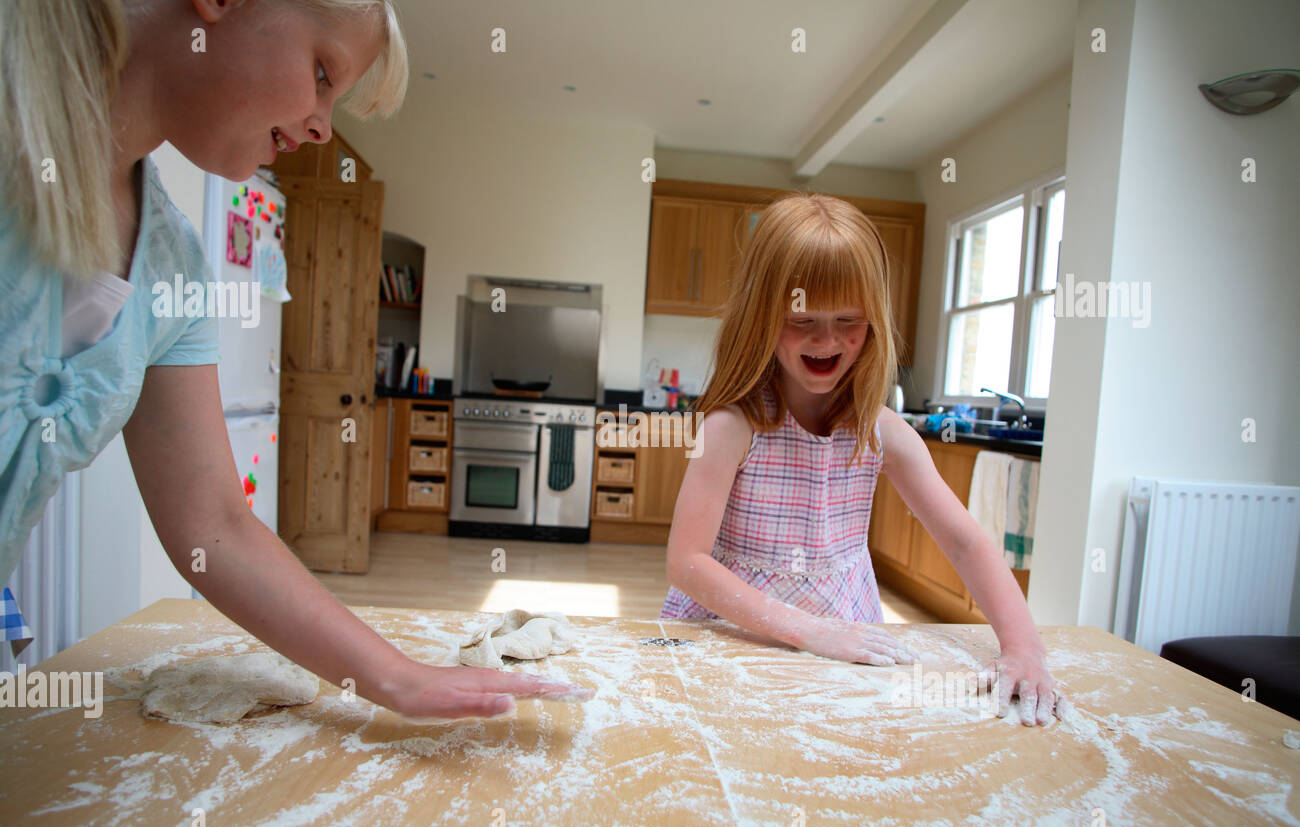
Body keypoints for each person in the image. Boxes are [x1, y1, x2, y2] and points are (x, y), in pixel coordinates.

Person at [0, 0, 592, 719]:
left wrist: (396, 679)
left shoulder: (172, 267)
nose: (321, 125)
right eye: (321, 71)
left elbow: (215, 524)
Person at [661, 193, 1064, 726]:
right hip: (738, 641)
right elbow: (687, 562)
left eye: (848, 318)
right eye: (802, 319)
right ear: (761, 316)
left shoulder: (882, 433)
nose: (826, 339)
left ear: (874, 320)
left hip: (849, 649)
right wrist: (808, 631)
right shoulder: (732, 427)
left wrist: (1023, 647)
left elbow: (965, 542)